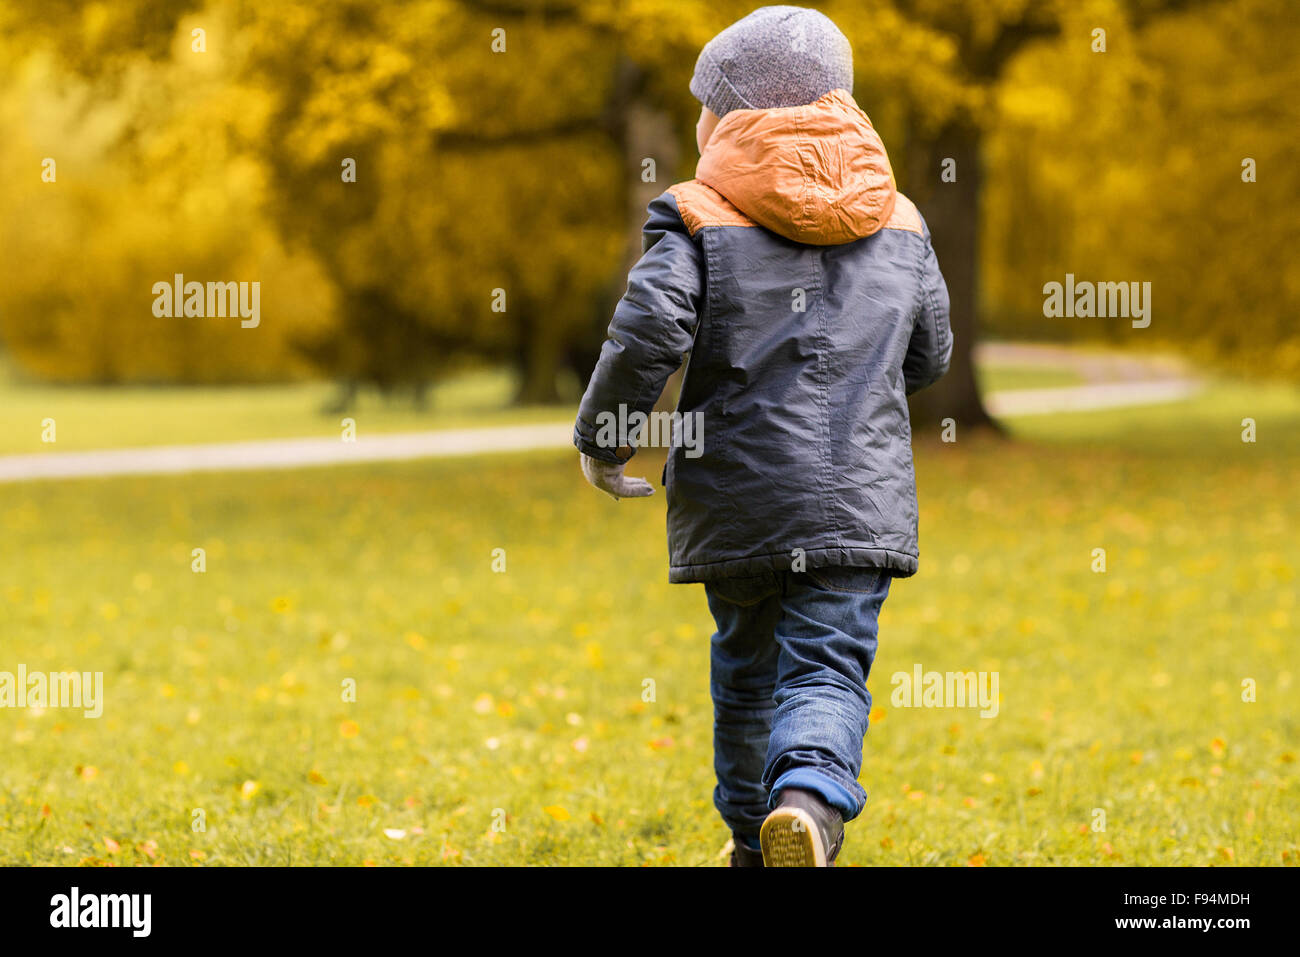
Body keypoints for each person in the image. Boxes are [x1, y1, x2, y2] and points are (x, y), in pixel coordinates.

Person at [573, 5, 952, 867]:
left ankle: (754, 844)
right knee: (825, 667)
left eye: (708, 103)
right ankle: (809, 807)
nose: (701, 121)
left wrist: (604, 440)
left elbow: (647, 332)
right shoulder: (902, 220)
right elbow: (928, 354)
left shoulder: (698, 213)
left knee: (745, 675)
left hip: (736, 499)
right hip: (856, 499)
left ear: (739, 112)